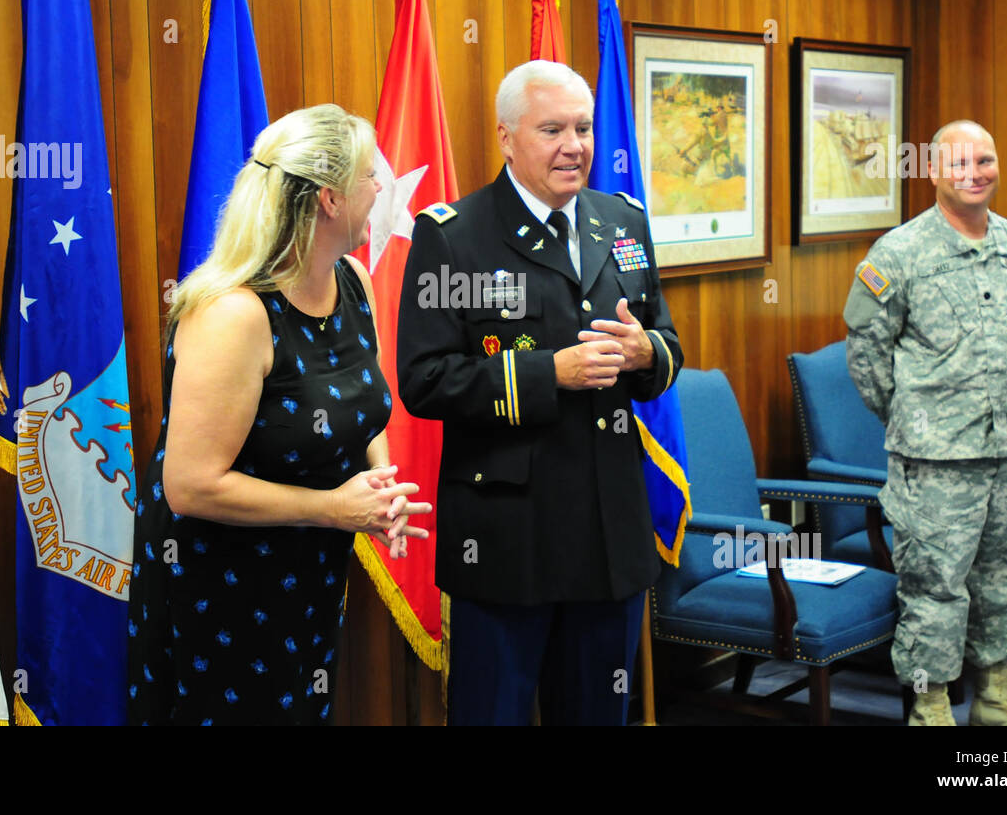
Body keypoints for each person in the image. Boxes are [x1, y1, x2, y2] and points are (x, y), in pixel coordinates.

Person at [396, 60, 683, 725]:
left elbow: (665, 340)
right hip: (507, 543)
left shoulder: (622, 221)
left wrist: (647, 353)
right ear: (505, 137)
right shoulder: (453, 235)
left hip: (610, 538)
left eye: (582, 128)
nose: (574, 145)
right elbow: (425, 379)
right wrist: (548, 373)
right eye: (552, 129)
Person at [127, 104, 430, 725]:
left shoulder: (351, 281)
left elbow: (363, 407)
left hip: (310, 572)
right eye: (372, 176)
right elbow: (188, 485)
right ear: (329, 199)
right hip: (221, 588)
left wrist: (381, 482)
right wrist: (333, 509)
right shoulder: (234, 315)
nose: (383, 189)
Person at [843, 120, 1007, 726]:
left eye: (985, 160)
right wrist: (916, 416)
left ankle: (994, 694)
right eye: (960, 163)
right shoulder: (899, 253)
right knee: (934, 586)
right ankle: (930, 702)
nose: (974, 173)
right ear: (934, 171)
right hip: (934, 461)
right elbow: (867, 354)